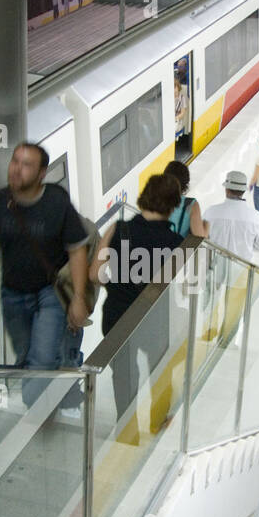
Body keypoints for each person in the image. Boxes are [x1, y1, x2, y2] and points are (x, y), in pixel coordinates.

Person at [0, 143, 90, 409]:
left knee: (43, 358)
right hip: (12, 294)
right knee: (25, 356)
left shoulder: (56, 204)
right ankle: (49, 399)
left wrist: (79, 298)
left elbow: (77, 251)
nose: (16, 170)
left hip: (50, 293)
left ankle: (34, 413)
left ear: (41, 173)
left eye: (26, 165)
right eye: (15, 161)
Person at [89, 175, 184, 423]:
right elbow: (185, 286)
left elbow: (94, 275)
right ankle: (158, 418)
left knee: (123, 374)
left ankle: (125, 426)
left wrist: (117, 285)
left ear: (144, 198)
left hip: (117, 315)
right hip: (155, 317)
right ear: (173, 205)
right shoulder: (177, 243)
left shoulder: (118, 230)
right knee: (159, 367)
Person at [202, 170, 259, 263]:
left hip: (214, 269)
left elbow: (201, 238)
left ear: (226, 189)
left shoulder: (210, 212)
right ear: (243, 191)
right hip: (241, 271)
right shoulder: (255, 217)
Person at [163, 160, 209, 238]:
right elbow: (199, 236)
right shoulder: (190, 205)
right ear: (186, 184)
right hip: (173, 248)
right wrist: (206, 226)